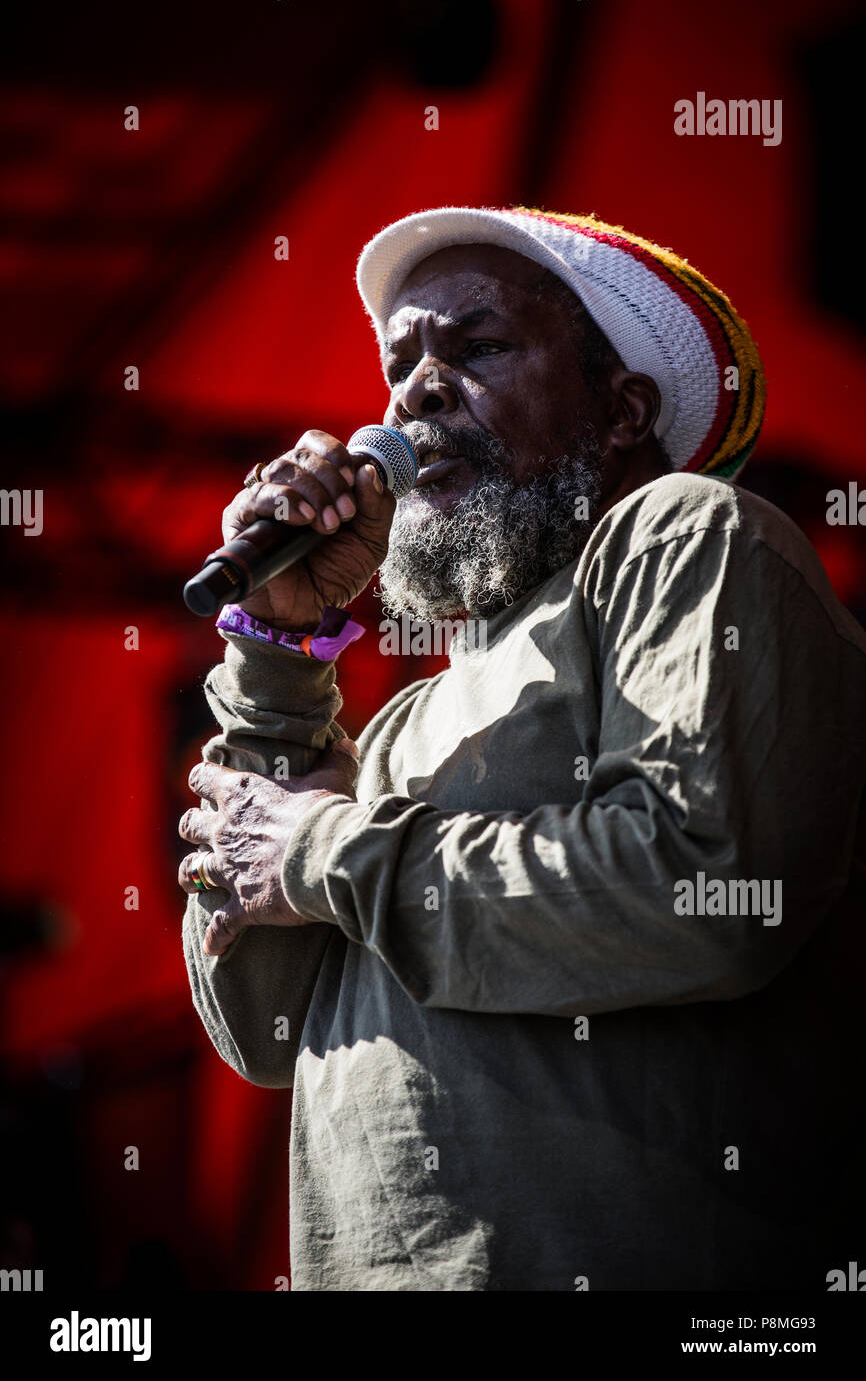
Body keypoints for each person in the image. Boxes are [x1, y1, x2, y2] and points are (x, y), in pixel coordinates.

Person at [179, 207, 866, 1291]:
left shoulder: (682, 536)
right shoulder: (399, 727)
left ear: (620, 408)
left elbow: (706, 886)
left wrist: (327, 850)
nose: (417, 392)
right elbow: (262, 1030)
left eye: (478, 346)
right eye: (400, 363)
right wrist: (276, 650)